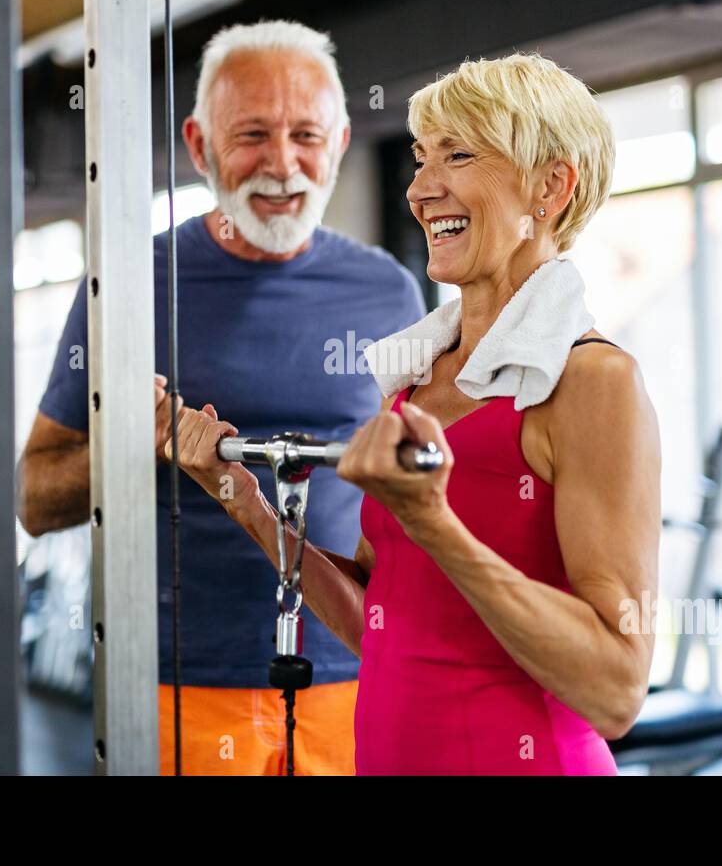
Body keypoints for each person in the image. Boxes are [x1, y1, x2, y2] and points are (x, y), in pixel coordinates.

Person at [161, 53, 661, 775]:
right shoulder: (414, 383)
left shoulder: (593, 381)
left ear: (550, 186)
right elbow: (385, 624)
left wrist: (434, 522)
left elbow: (616, 690)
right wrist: (243, 501)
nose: (422, 189)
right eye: (422, 160)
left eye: (457, 155)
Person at [17, 20, 425, 775]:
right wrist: (127, 445)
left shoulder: (389, 291)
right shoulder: (130, 284)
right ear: (200, 146)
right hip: (180, 682)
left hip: (360, 674)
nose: (282, 164)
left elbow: (418, 492)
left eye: (306, 134)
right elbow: (35, 500)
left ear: (338, 144)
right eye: (252, 135)